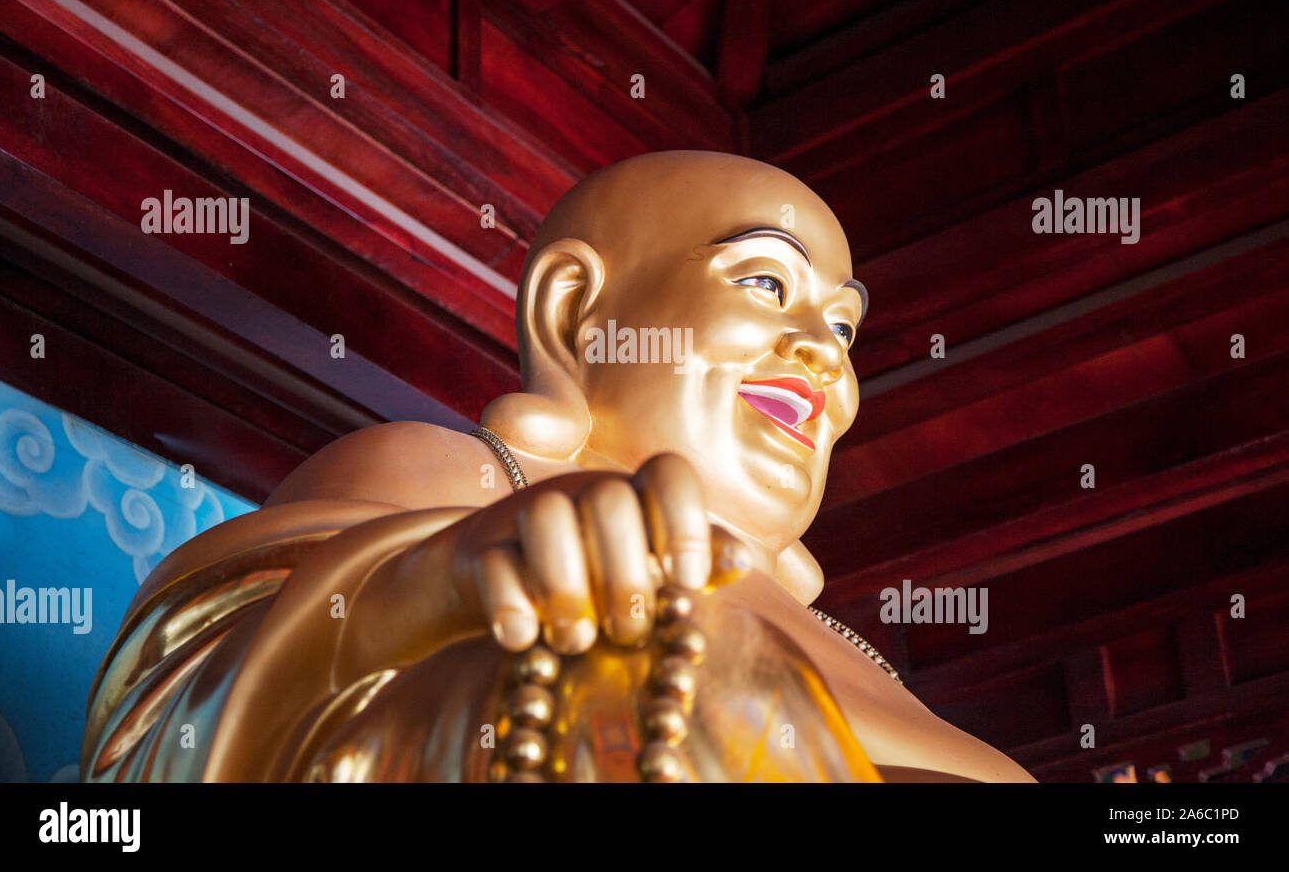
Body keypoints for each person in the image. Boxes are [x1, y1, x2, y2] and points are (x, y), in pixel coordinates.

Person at [81, 151, 1034, 782]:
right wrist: (442, 592)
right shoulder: (457, 483)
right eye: (764, 283)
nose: (822, 351)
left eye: (840, 325)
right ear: (573, 314)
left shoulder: (869, 658)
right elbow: (159, 742)